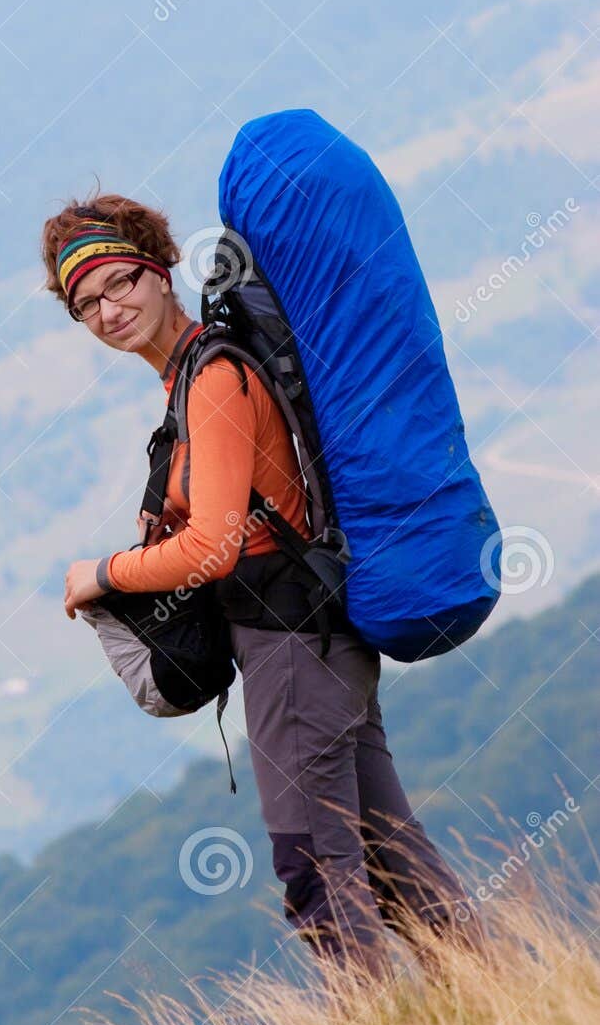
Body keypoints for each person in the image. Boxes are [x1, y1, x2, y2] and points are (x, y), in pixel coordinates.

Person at [43, 194, 484, 981]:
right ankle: (496, 1003)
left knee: (314, 860)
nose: (108, 310)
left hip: (291, 647)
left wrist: (102, 574)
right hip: (316, 643)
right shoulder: (192, 377)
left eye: (118, 284)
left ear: (156, 269)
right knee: (385, 848)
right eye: (86, 304)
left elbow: (213, 547)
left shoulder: (211, 380)